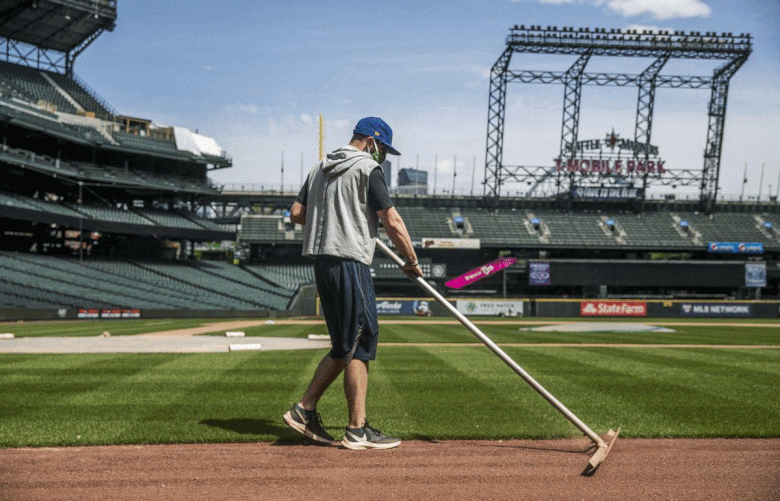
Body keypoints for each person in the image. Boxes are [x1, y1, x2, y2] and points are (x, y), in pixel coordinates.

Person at [283, 116, 423, 450]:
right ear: (373, 141)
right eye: (384, 148)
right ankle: (344, 424)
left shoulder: (320, 167)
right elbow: (392, 219)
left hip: (323, 261)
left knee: (348, 343)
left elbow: (297, 214)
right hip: (349, 260)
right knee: (361, 338)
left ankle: (323, 416)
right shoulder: (367, 169)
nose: (384, 155)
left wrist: (335, 212)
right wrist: (411, 260)